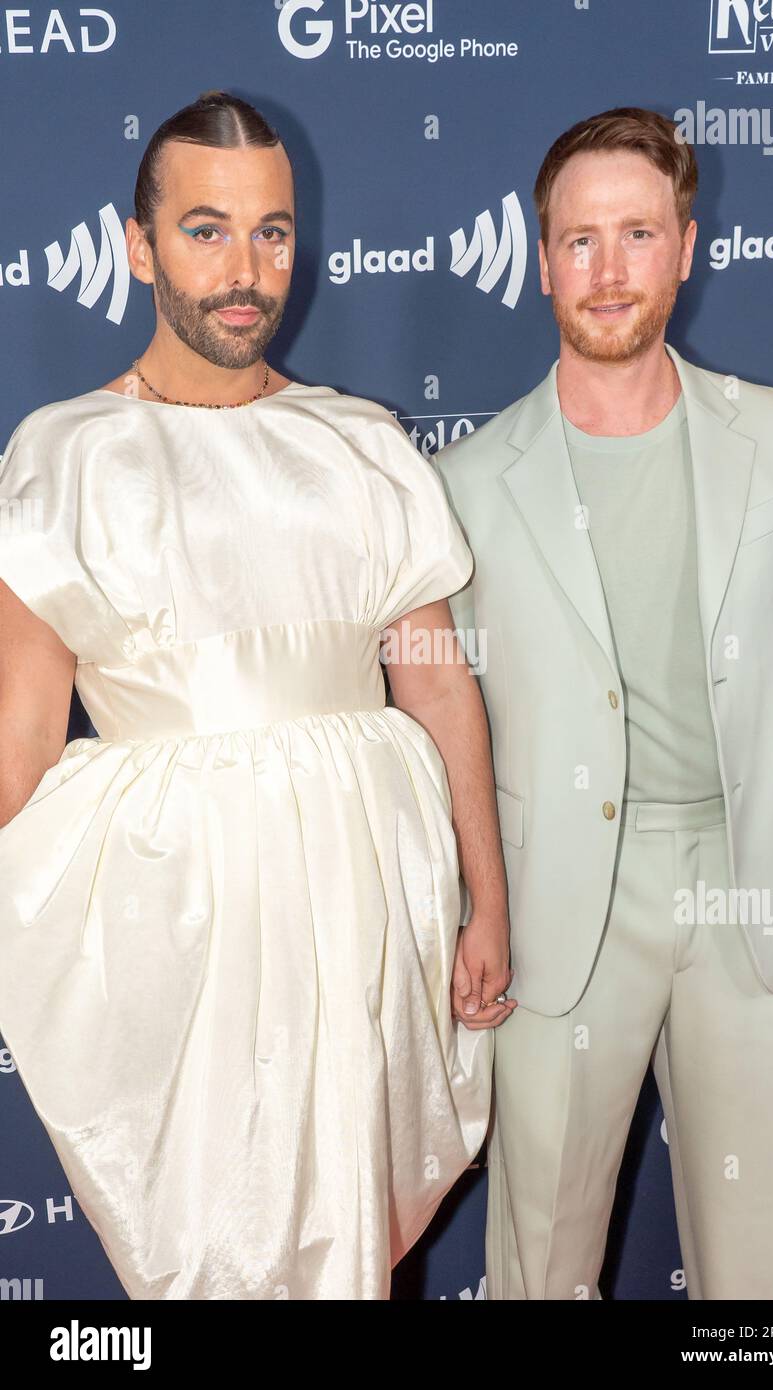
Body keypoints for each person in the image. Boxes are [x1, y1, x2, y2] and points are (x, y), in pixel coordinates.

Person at [0, 90, 514, 1301]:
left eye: (272, 232)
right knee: (212, 1244)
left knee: (350, 1235)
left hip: (361, 899)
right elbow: (23, 729)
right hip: (182, 918)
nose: (246, 269)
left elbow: (439, 696)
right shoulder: (61, 455)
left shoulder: (364, 445)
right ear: (138, 245)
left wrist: (485, 899)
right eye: (207, 229)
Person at [434, 107, 773, 1300]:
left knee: (766, 1259)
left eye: (635, 234)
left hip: (750, 892)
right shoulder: (464, 484)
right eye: (578, 241)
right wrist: (472, 903)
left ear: (687, 245)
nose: (606, 269)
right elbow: (440, 717)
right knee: (542, 1254)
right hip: (558, 907)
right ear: (539, 262)